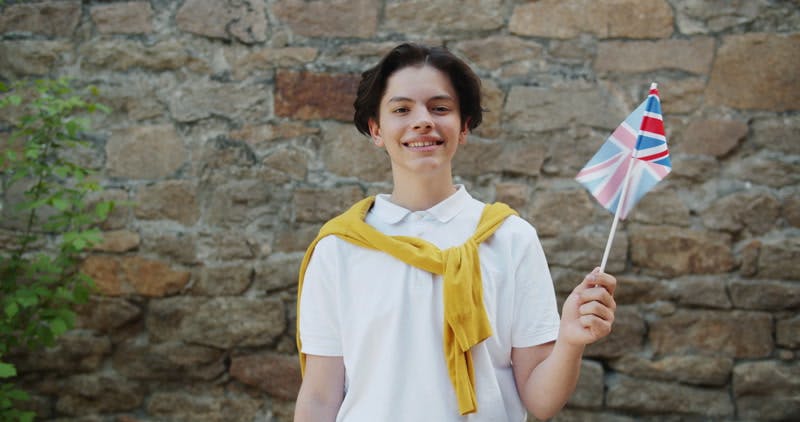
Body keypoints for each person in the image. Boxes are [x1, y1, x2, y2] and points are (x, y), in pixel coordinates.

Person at [294, 42, 617, 422]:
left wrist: (570, 341)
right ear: (376, 129)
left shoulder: (511, 239)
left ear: (463, 127)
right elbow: (319, 397)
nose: (422, 121)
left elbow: (541, 401)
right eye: (401, 109)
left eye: (440, 108)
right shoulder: (338, 248)